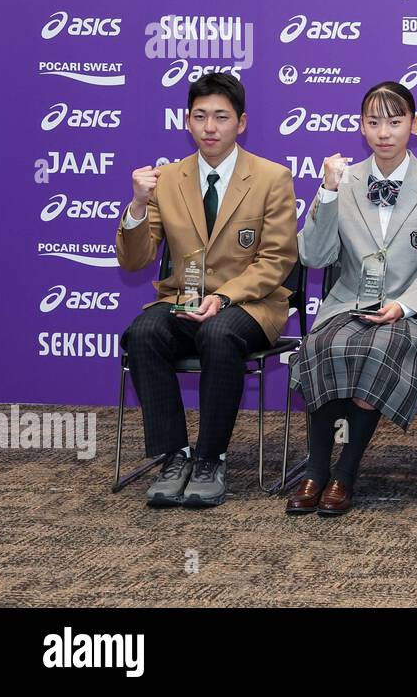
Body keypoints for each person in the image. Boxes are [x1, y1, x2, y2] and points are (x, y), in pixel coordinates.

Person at [284, 82, 417, 516]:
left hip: (414, 311)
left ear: (415, 125)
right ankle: (314, 470)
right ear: (361, 127)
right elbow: (313, 255)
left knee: (377, 349)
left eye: (395, 120)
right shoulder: (343, 182)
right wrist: (326, 194)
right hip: (348, 303)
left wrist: (404, 305)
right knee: (322, 346)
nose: (384, 131)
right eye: (373, 122)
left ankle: (343, 474)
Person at [117, 72, 298, 508]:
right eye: (200, 117)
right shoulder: (167, 181)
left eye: (221, 116)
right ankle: (174, 455)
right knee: (142, 333)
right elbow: (135, 260)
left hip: (250, 306)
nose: (210, 127)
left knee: (219, 335)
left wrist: (224, 297)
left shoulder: (272, 177)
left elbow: (277, 260)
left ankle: (210, 457)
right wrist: (138, 205)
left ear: (242, 122)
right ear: (187, 121)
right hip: (183, 300)